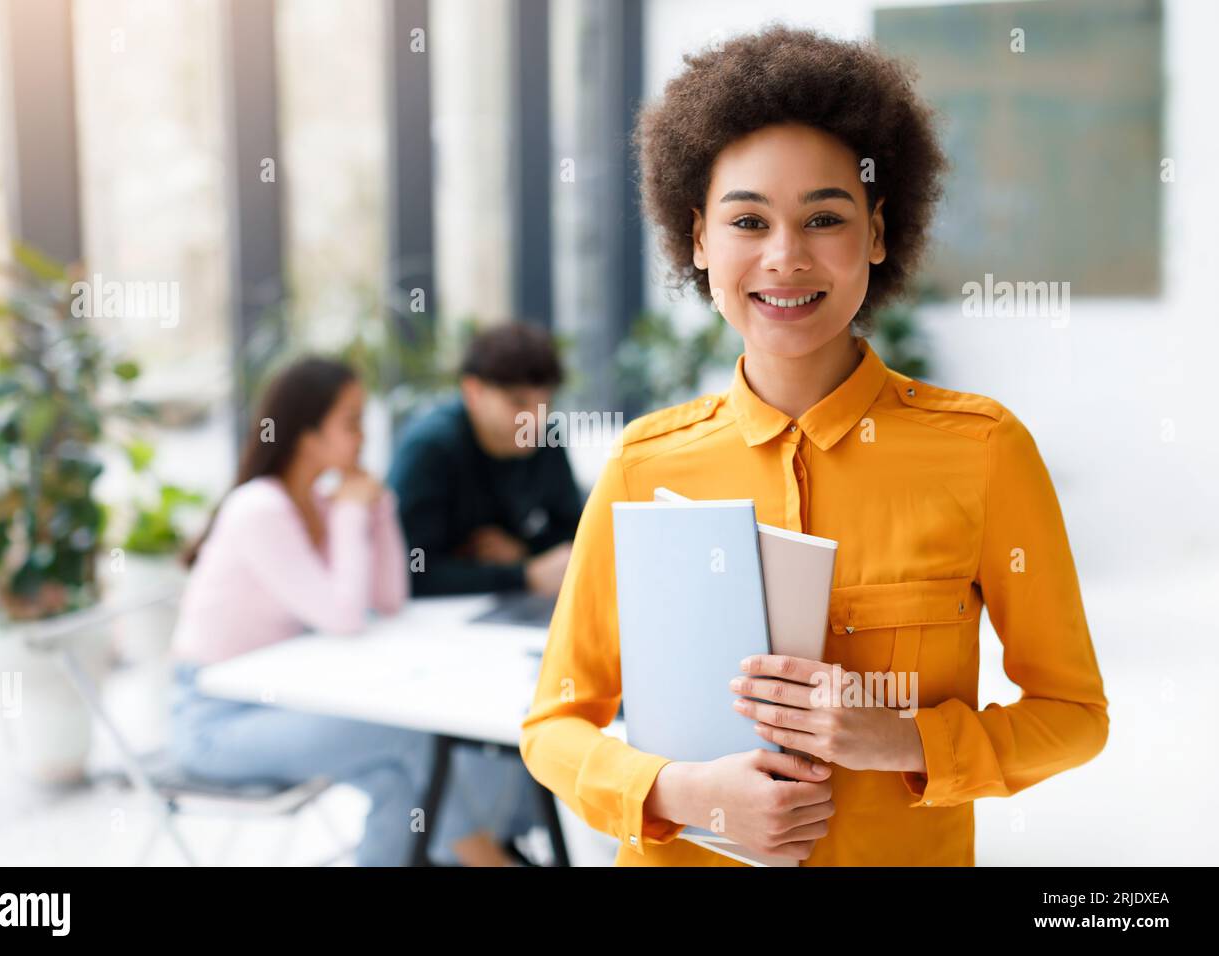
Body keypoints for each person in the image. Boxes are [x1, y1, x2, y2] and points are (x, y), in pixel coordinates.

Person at [519, 26, 1109, 866]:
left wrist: (905, 740)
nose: (785, 257)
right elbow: (554, 726)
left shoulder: (983, 453)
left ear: (877, 231)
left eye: (824, 217)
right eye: (747, 220)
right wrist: (686, 795)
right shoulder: (643, 467)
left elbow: (1074, 716)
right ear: (697, 240)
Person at [170, 356, 539, 866]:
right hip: (215, 722)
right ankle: (487, 859)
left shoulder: (319, 505)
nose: (363, 437)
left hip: (279, 701)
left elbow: (387, 600)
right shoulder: (262, 508)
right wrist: (349, 510)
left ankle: (482, 849)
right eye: (351, 422)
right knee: (411, 735)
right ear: (307, 434)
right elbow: (343, 615)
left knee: (396, 779)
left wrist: (378, 507)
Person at [388, 322, 583, 598]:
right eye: (518, 403)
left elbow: (576, 535)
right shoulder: (430, 447)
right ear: (473, 392)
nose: (536, 419)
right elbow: (411, 572)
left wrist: (522, 551)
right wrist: (524, 574)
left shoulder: (546, 439)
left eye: (546, 404)